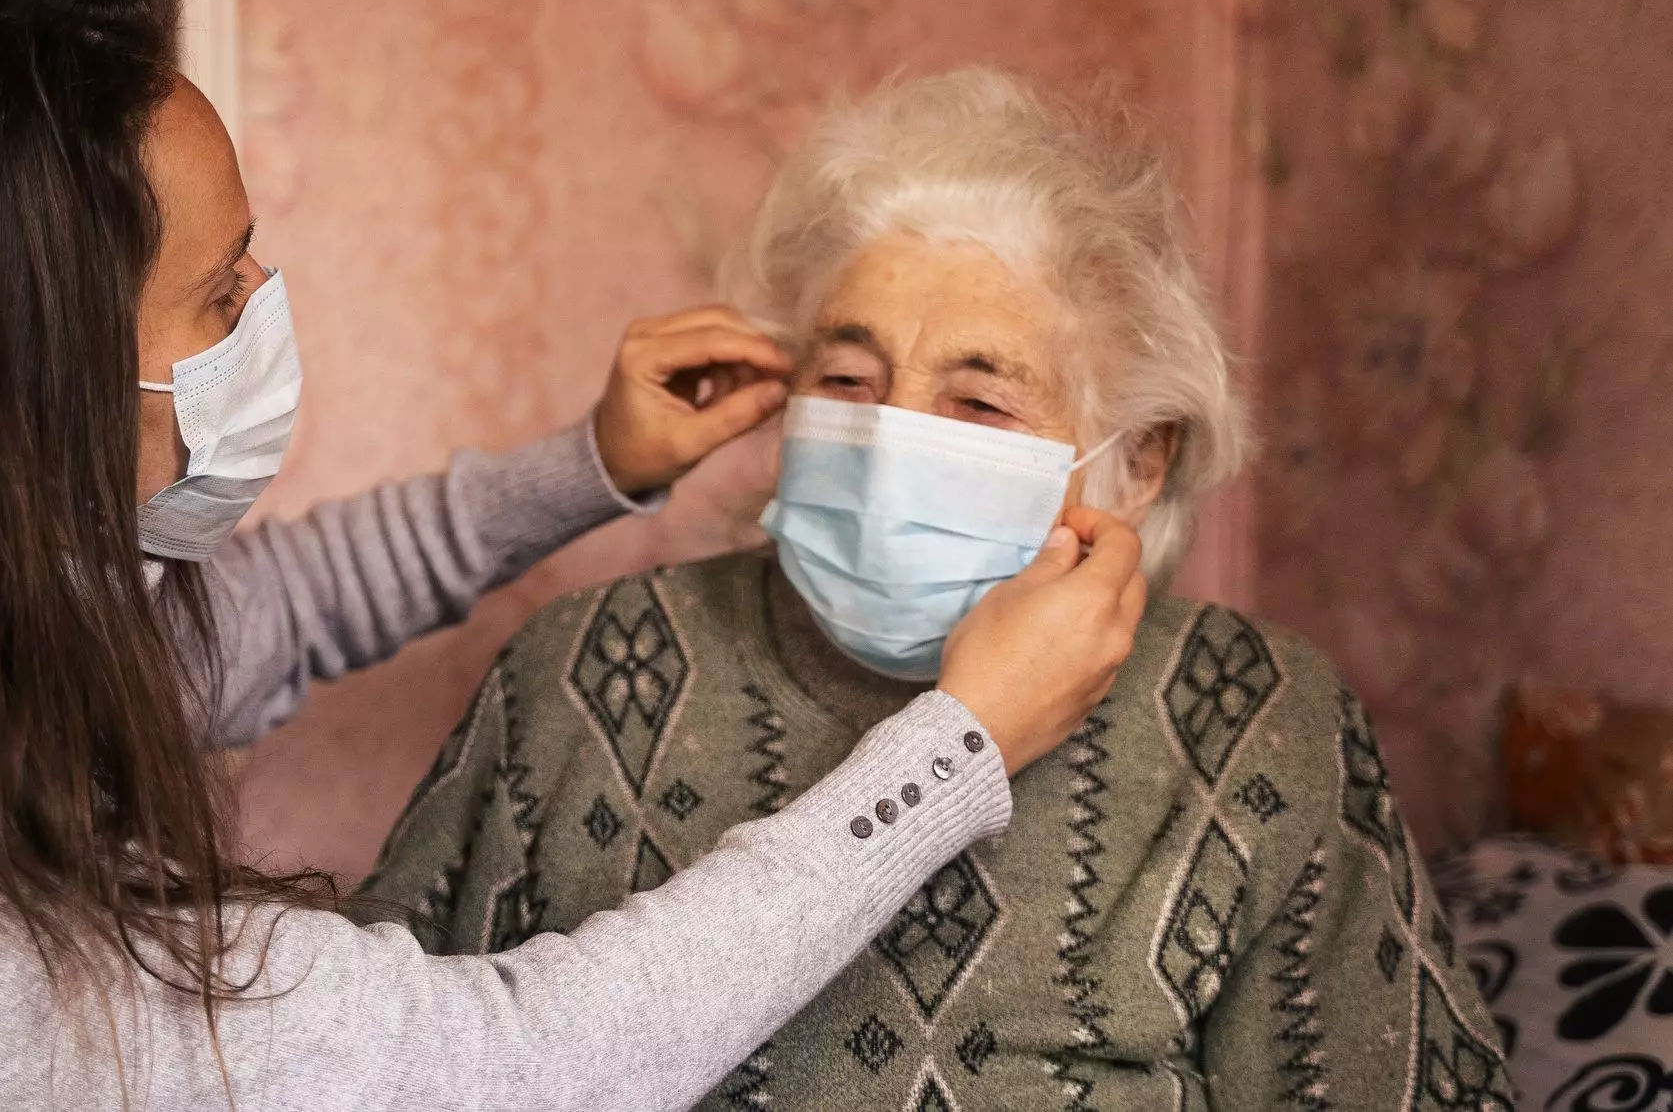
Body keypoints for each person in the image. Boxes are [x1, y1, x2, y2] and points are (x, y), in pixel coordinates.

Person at [0, 0, 1147, 1111]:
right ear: (20, 381)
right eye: (221, 291)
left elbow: (286, 605)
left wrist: (590, 463)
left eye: (977, 398)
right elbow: (505, 1068)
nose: (268, 312)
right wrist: (957, 746)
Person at [363, 68, 1515, 1110]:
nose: (887, 443)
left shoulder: (1253, 712)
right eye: (851, 380)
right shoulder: (583, 667)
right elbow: (365, 1062)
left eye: (977, 403)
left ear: (1138, 460)